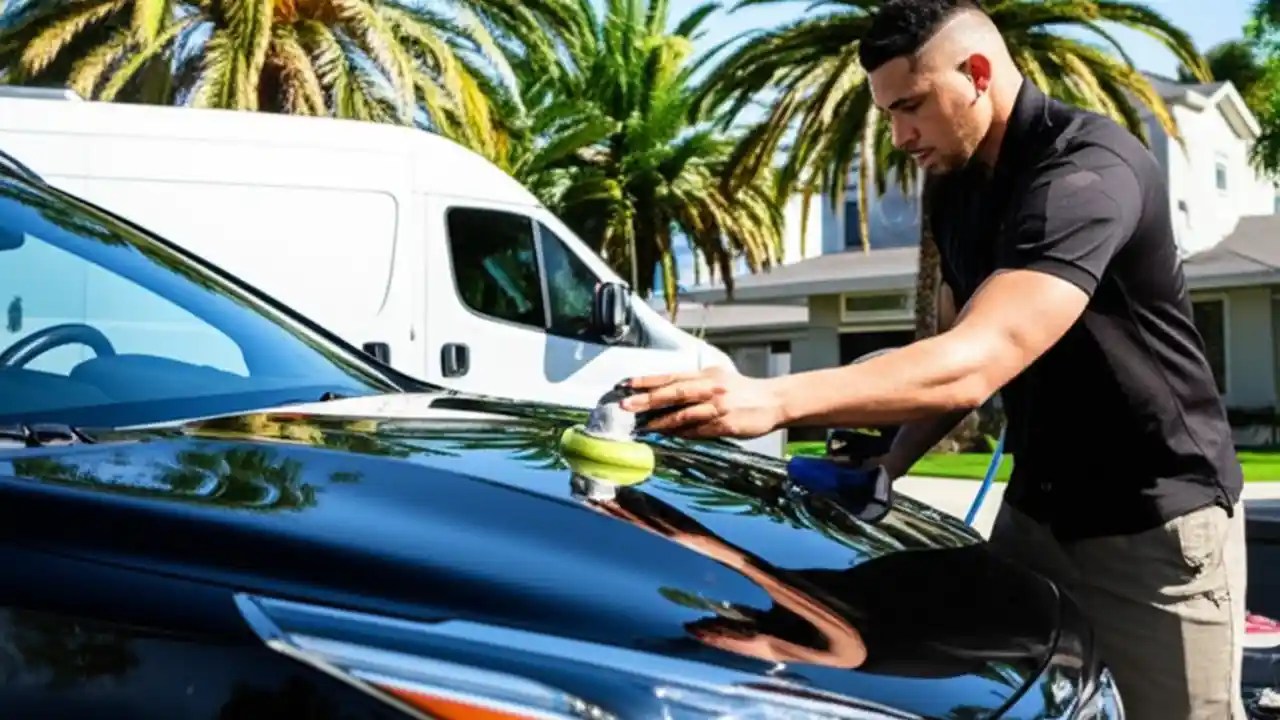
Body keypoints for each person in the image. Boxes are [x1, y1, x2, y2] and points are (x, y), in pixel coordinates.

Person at [617, 0, 1247, 717]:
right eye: (887, 113)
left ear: (977, 72)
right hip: (1035, 519)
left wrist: (774, 399)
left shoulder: (1087, 175)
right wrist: (889, 461)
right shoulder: (956, 186)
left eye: (910, 106)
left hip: (1155, 532)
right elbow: (946, 354)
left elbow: (982, 358)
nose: (898, 135)